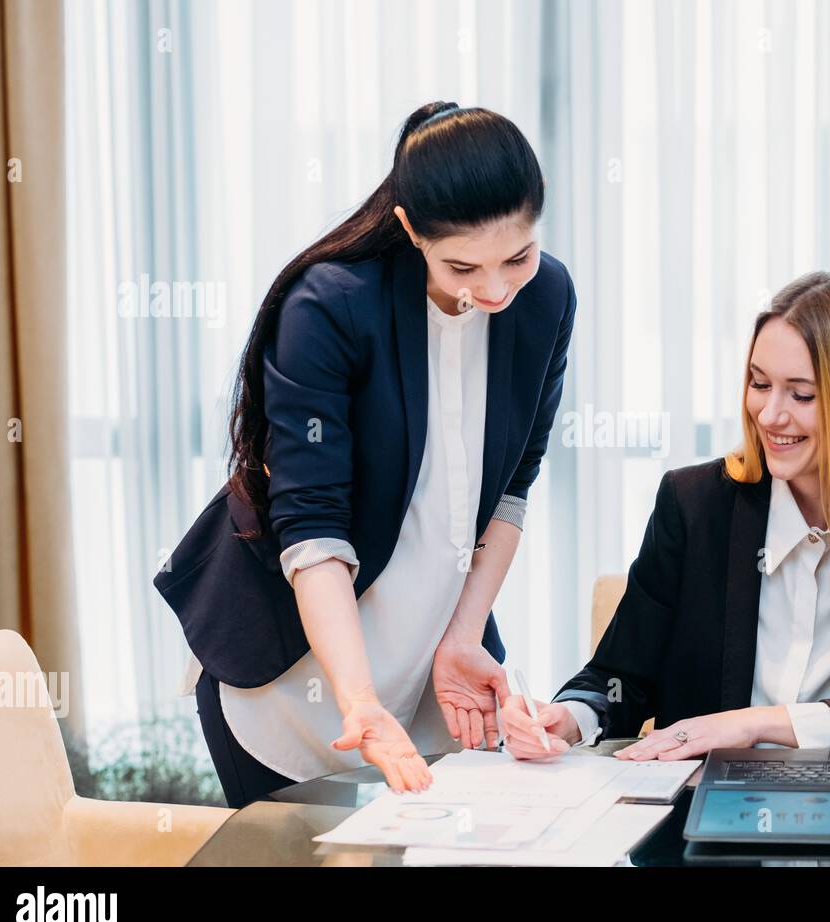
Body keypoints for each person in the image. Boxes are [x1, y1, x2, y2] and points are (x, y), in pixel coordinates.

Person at [154, 101, 576, 806]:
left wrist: (463, 634)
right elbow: (312, 527)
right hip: (292, 670)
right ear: (411, 229)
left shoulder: (547, 297)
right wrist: (357, 700)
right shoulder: (331, 307)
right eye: (464, 267)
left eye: (519, 257)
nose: (497, 290)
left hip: (431, 662)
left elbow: (512, 488)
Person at [501, 272, 830, 761]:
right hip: (705, 811)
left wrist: (759, 724)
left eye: (802, 394)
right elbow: (620, 678)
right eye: (760, 383)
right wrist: (571, 718)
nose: (770, 415)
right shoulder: (694, 505)